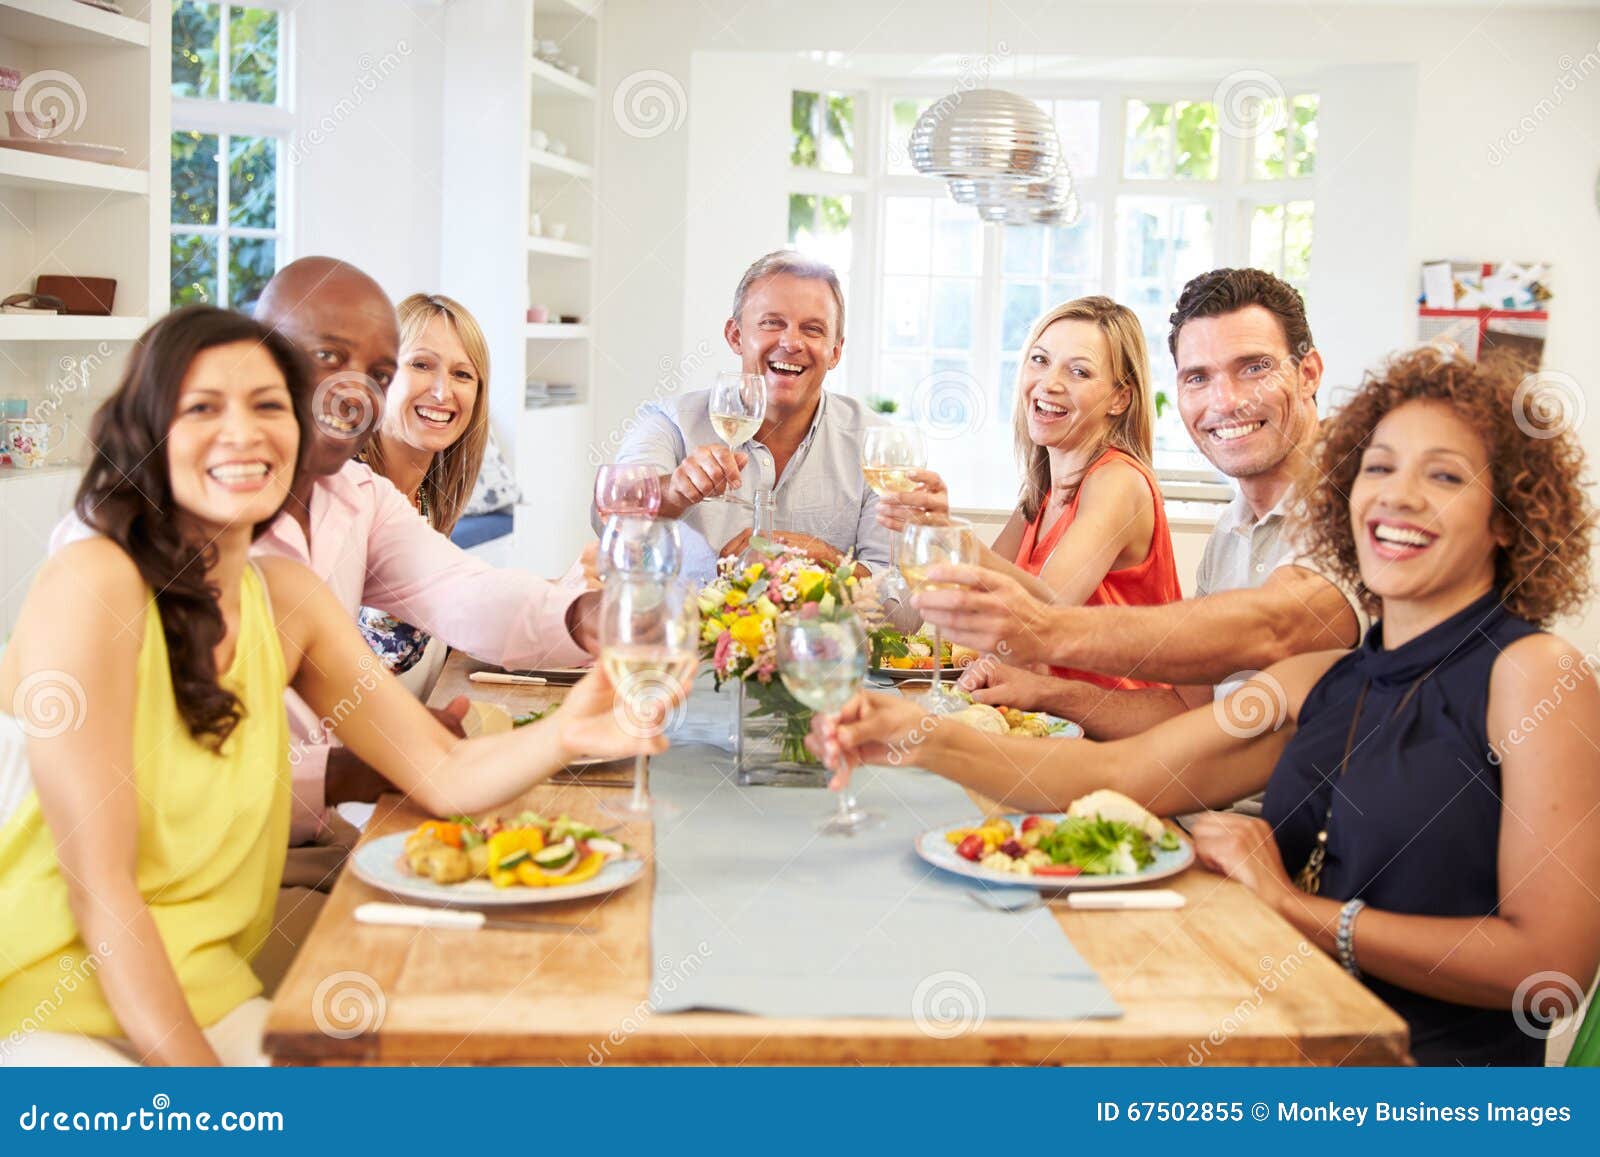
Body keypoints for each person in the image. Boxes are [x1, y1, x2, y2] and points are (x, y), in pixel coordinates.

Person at [815, 346, 1600, 1066]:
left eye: (1446, 476)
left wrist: (1295, 906)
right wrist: (913, 734)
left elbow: (1548, 967)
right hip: (1278, 1037)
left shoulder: (1533, 675)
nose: (1399, 496)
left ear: (1508, 516)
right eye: (1379, 468)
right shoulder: (1325, 681)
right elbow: (1117, 771)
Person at [0, 308, 663, 1065]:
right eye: (203, 407)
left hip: (206, 992)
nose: (245, 432)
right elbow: (101, 888)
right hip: (50, 1008)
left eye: (268, 406)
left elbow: (442, 770)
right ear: (147, 432)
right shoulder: (95, 582)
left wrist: (569, 730)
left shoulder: (284, 597)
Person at [889, 269, 1363, 737]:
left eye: (1254, 368)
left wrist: (1034, 622)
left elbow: (1271, 630)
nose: (1225, 400)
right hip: (1172, 774)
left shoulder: (1357, 511)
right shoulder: (1231, 530)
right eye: (1198, 377)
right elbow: (1189, 711)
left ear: (1309, 374)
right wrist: (1038, 691)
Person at [876, 296, 1181, 691]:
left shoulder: (1118, 481)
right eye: (1040, 360)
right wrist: (932, 530)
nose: (1050, 383)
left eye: (1079, 371)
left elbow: (1047, 615)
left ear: (1120, 398)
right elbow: (976, 600)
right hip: (1044, 714)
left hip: (1111, 730)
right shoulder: (1042, 488)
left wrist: (954, 535)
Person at [609, 250, 890, 581]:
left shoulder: (876, 444)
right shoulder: (670, 422)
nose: (791, 342)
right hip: (690, 631)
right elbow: (610, 523)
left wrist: (827, 561)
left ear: (835, 352)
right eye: (772, 323)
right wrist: (674, 491)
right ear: (736, 336)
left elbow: (904, 608)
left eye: (813, 329)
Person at [355, 292, 491, 686]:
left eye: (462, 374)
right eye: (421, 364)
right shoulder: (350, 492)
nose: (441, 391)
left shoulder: (428, 499)